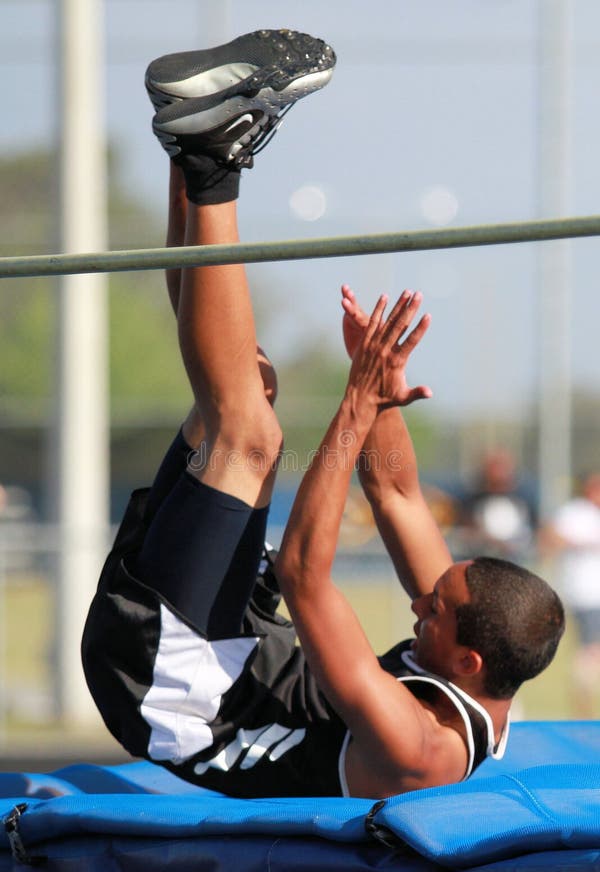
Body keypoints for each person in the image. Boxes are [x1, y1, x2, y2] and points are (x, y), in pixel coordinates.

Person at [82, 29, 565, 799]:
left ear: (467, 660)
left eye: (434, 609)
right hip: (238, 642)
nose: (421, 599)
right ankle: (191, 146)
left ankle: (214, 161)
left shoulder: (425, 747)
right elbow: (397, 493)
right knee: (250, 384)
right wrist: (382, 394)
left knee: (250, 438)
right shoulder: (469, 646)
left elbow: (308, 578)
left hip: (175, 684)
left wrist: (353, 406)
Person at [540, 473, 600, 718]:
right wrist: (577, 544)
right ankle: (583, 701)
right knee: (590, 650)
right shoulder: (575, 513)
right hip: (586, 594)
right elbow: (550, 538)